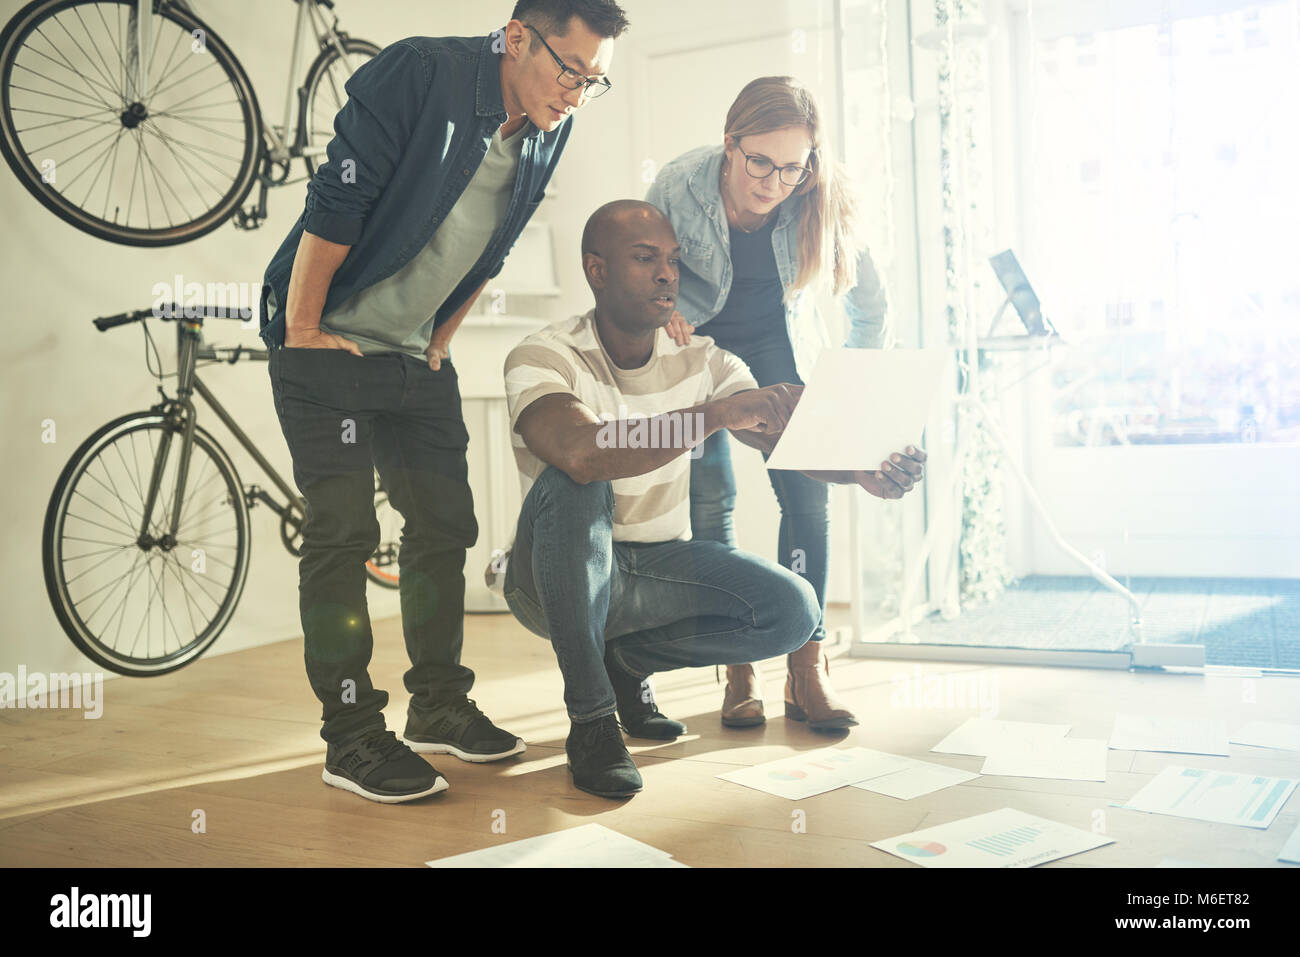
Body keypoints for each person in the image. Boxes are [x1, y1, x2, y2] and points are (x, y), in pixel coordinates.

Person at [258, 1, 630, 804]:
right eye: (570, 71)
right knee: (343, 533)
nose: (575, 94)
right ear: (520, 36)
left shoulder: (547, 124)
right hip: (329, 340)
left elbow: (495, 241)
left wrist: (440, 339)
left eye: (592, 82)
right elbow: (338, 198)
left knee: (443, 528)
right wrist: (300, 327)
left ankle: (438, 705)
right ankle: (353, 736)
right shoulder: (422, 72)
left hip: (414, 355)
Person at [500, 200, 925, 798]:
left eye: (673, 261)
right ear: (596, 270)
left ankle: (626, 663)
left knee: (793, 609)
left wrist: (860, 471)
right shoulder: (542, 354)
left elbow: (781, 439)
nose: (668, 274)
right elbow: (582, 450)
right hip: (549, 577)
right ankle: (593, 721)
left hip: (654, 569)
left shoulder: (706, 359)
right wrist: (715, 414)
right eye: (646, 259)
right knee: (577, 486)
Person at [645, 75, 891, 732]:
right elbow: (639, 269)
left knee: (809, 501)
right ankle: (738, 671)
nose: (773, 183)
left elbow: (871, 309)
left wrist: (848, 395)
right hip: (701, 352)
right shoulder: (678, 183)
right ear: (730, 143)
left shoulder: (819, 198)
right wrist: (659, 310)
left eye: (791, 168)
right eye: (760, 162)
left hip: (781, 349)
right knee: (711, 501)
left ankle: (806, 671)